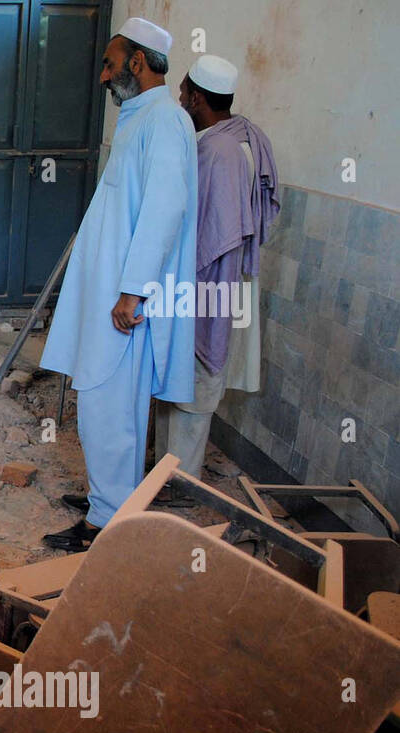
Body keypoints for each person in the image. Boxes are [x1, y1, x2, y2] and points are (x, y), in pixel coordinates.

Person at [38, 18, 198, 551]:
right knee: (107, 403)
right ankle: (112, 497)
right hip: (112, 294)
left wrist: (133, 291)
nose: (103, 75)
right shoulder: (139, 119)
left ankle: (107, 524)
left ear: (136, 61)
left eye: (110, 64)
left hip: (126, 301)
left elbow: (163, 211)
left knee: (109, 405)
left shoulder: (166, 121)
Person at [155, 54, 279, 477]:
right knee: (183, 383)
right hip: (221, 282)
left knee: (193, 385)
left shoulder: (219, 150)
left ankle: (178, 484)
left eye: (184, 91)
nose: (180, 96)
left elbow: (212, 237)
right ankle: (162, 478)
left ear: (196, 99)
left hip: (212, 283)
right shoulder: (239, 135)